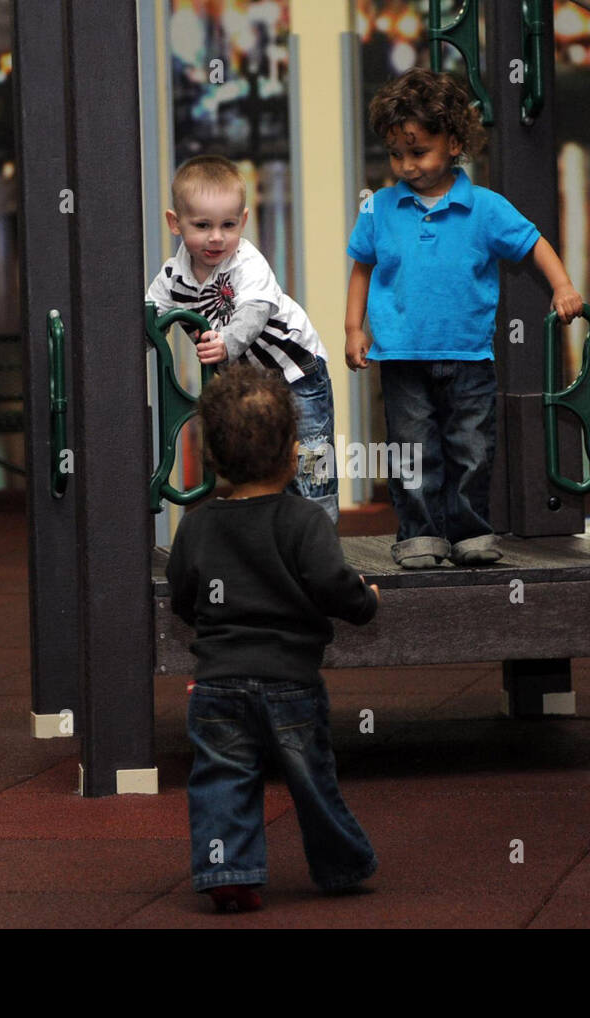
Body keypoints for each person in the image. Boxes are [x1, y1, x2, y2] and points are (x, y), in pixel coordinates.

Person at [345, 68, 586, 568]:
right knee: (413, 451)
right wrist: (353, 328)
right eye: (396, 154)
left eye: (418, 151)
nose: (406, 165)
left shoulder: (483, 207)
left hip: (470, 355)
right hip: (402, 356)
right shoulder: (379, 208)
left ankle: (470, 532)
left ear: (454, 143)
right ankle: (418, 535)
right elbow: (362, 268)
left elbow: (534, 243)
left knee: (471, 448)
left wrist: (562, 286)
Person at [166, 363, 380, 912]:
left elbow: (183, 596)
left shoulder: (196, 524)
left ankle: (225, 867)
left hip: (216, 686)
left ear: (213, 455)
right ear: (292, 453)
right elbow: (334, 585)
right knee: (311, 779)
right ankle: (341, 864)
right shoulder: (304, 521)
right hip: (290, 683)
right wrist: (366, 603)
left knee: (221, 777)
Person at [146, 155, 339, 523]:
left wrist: (227, 343)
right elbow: (148, 319)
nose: (216, 237)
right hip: (252, 388)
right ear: (175, 223)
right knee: (263, 466)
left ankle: (321, 541)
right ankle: (278, 545)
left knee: (311, 463)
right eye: (202, 225)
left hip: (297, 372)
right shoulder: (173, 277)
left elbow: (255, 312)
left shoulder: (247, 262)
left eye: (228, 224)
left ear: (244, 222)